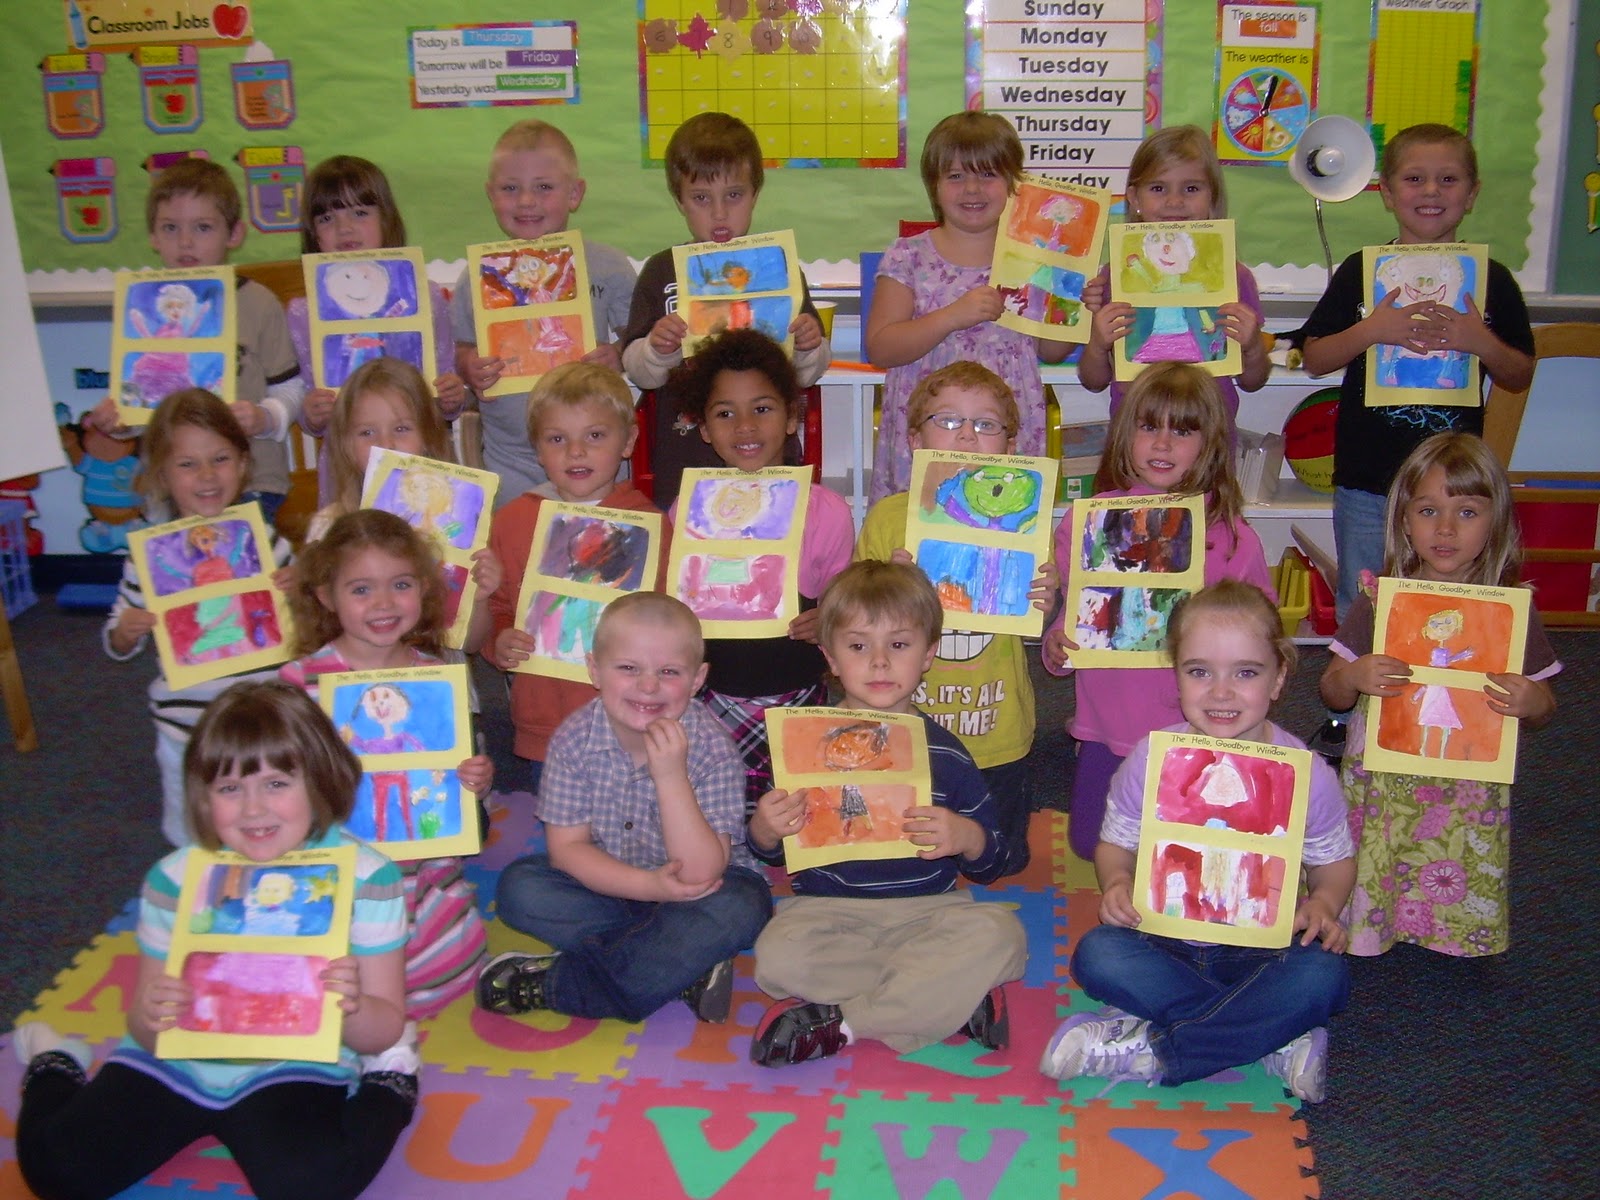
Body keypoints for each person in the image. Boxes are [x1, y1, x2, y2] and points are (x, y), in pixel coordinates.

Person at [13, 681, 418, 1200]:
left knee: (310, 1185)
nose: (253, 809)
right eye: (229, 789)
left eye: (276, 783)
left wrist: (352, 1008)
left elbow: (383, 1025)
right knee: (57, 1172)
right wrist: (155, 1015)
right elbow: (146, 1028)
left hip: (296, 1064)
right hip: (177, 1062)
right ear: (203, 798)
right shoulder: (176, 879)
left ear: (321, 778)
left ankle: (391, 1083)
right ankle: (56, 1060)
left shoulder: (367, 878)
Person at [1042, 580, 1354, 1104]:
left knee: (1323, 974)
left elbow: (1335, 862)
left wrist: (1323, 904)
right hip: (1163, 940)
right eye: (1199, 671)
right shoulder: (1150, 758)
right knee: (1098, 954)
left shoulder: (1308, 774)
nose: (1220, 692)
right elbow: (1115, 844)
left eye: (1246, 673)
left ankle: (1155, 1048)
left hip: (1260, 947)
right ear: (1177, 674)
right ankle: (1271, 1034)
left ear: (1279, 677)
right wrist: (1116, 881)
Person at [746, 560, 1026, 1065]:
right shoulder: (800, 747)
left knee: (1002, 936)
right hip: (827, 913)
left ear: (928, 654)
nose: (878, 663)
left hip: (931, 913)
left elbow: (993, 862)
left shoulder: (945, 753)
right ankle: (948, 997)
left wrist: (967, 836)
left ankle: (846, 1026)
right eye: (858, 647)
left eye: (898, 645)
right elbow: (769, 850)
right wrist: (765, 830)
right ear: (830, 658)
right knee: (776, 958)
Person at [475, 592, 772, 1024]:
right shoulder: (573, 739)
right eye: (628, 668)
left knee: (742, 907)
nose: (648, 686)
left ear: (697, 679)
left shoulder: (712, 747)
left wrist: (671, 777)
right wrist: (649, 887)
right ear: (594, 669)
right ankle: (677, 965)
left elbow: (701, 874)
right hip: (609, 879)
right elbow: (568, 850)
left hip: (703, 890)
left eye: (668, 672)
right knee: (521, 889)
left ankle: (559, 983)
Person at [1319, 433, 1559, 957]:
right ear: (1405, 521)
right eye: (1428, 511)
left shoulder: (1510, 612)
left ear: (1495, 522)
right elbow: (1332, 691)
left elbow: (1545, 705)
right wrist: (1354, 675)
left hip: (1466, 781)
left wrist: (1531, 701)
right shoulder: (1379, 600)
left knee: (1457, 851)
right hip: (1384, 777)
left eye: (1467, 512)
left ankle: (1453, 932)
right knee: (1384, 844)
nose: (1445, 529)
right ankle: (1374, 923)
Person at [1301, 124, 1535, 622]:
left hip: (1453, 488)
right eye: (1414, 179)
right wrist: (1372, 330)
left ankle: (1439, 676)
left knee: (1449, 604)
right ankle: (1357, 675)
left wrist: (1480, 342)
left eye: (1448, 180)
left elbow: (1519, 373)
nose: (1431, 191)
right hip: (1368, 479)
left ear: (1471, 194)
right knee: (1363, 604)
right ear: (1387, 193)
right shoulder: (1360, 271)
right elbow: (1315, 358)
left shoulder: (1492, 279)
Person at [1042, 362, 1275, 860]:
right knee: (1091, 847)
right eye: (1148, 427)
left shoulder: (1233, 538)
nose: (1163, 444)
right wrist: (1057, 645)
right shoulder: (1090, 522)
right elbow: (1073, 614)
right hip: (1108, 723)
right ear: (1125, 436)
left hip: (1197, 726)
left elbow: (1265, 634)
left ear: (1211, 445)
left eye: (1183, 431)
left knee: (1182, 853)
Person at [281, 509, 495, 1016]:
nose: (383, 603)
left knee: (449, 958)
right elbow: (279, 778)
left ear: (423, 588)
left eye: (400, 584)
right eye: (361, 590)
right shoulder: (301, 681)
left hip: (421, 861)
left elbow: (451, 774)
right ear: (326, 596)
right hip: (336, 857)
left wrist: (475, 779)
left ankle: (408, 969)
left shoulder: (434, 676)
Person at [856, 360, 1059, 875]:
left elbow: (1038, 623)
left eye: (986, 424)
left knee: (1002, 860)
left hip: (996, 724)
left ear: (1009, 447)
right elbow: (852, 618)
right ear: (915, 441)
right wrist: (888, 586)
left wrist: (1048, 600)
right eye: (947, 421)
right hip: (912, 721)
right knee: (908, 846)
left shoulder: (1026, 520)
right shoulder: (888, 518)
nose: (966, 435)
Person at [667, 329, 854, 812]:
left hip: (796, 693)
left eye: (763, 409)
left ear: (792, 417)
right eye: (725, 413)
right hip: (710, 695)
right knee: (712, 810)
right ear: (704, 428)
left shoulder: (826, 512)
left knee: (799, 811)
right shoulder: (685, 513)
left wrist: (828, 621)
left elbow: (842, 605)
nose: (745, 426)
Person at [104, 389, 296, 845]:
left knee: (277, 826)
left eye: (220, 459)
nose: (207, 475)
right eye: (187, 464)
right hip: (187, 729)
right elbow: (116, 637)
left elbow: (308, 629)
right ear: (162, 475)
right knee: (194, 838)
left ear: (243, 464)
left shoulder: (268, 543)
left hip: (265, 724)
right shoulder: (149, 559)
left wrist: (301, 593)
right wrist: (125, 633)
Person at [620, 111, 832, 509]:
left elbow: (806, 374)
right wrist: (656, 350)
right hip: (686, 465)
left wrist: (808, 345)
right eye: (701, 198)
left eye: (733, 195)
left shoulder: (779, 268)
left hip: (770, 462)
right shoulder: (662, 270)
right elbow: (638, 372)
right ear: (680, 201)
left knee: (773, 541)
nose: (719, 213)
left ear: (755, 194)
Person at [865, 111, 1072, 502]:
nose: (972, 189)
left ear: (1014, 183)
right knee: (922, 526)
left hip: (1001, 431)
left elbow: (1052, 350)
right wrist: (951, 317)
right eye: (956, 176)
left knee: (1000, 517)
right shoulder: (908, 256)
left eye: (988, 174)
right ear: (934, 185)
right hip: (930, 432)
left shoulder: (1034, 260)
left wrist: (1076, 303)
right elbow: (882, 347)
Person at [483, 362, 670, 792]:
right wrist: (500, 640)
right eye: (557, 439)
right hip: (546, 724)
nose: (576, 452)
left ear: (628, 441)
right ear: (537, 449)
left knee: (636, 825)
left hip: (631, 722)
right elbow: (497, 607)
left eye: (595, 435)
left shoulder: (651, 526)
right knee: (559, 830)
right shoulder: (512, 521)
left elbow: (672, 620)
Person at [89, 159, 304, 525]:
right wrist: (122, 420)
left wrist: (266, 417)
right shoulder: (144, 308)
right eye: (170, 227)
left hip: (251, 481)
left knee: (240, 560)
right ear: (153, 236)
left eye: (203, 227)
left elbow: (292, 389)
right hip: (170, 487)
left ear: (234, 234)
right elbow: (144, 402)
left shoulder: (257, 302)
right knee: (175, 559)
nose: (185, 242)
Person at [451, 120, 637, 501]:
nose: (526, 201)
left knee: (604, 536)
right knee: (516, 536)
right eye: (510, 188)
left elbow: (639, 343)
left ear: (575, 193)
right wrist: (469, 366)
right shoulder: (476, 276)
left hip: (596, 456)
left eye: (544, 187)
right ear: (491, 194)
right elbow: (460, 348)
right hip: (512, 458)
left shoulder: (608, 266)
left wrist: (618, 355)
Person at [287, 155, 467, 504]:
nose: (345, 229)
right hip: (348, 469)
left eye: (360, 212)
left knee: (426, 531)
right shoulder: (304, 313)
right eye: (327, 218)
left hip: (419, 459)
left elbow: (443, 383)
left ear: (386, 220)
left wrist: (452, 398)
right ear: (313, 234)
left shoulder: (425, 298)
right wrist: (311, 415)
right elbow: (311, 400)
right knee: (352, 534)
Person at [1076, 125, 1270, 432]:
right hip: (1135, 435)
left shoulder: (1235, 278)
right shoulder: (1114, 278)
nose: (1175, 201)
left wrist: (1253, 347)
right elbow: (1093, 380)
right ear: (1134, 198)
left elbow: (1253, 381)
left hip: (1208, 434)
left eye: (1191, 189)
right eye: (1158, 188)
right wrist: (1099, 344)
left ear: (1212, 197)